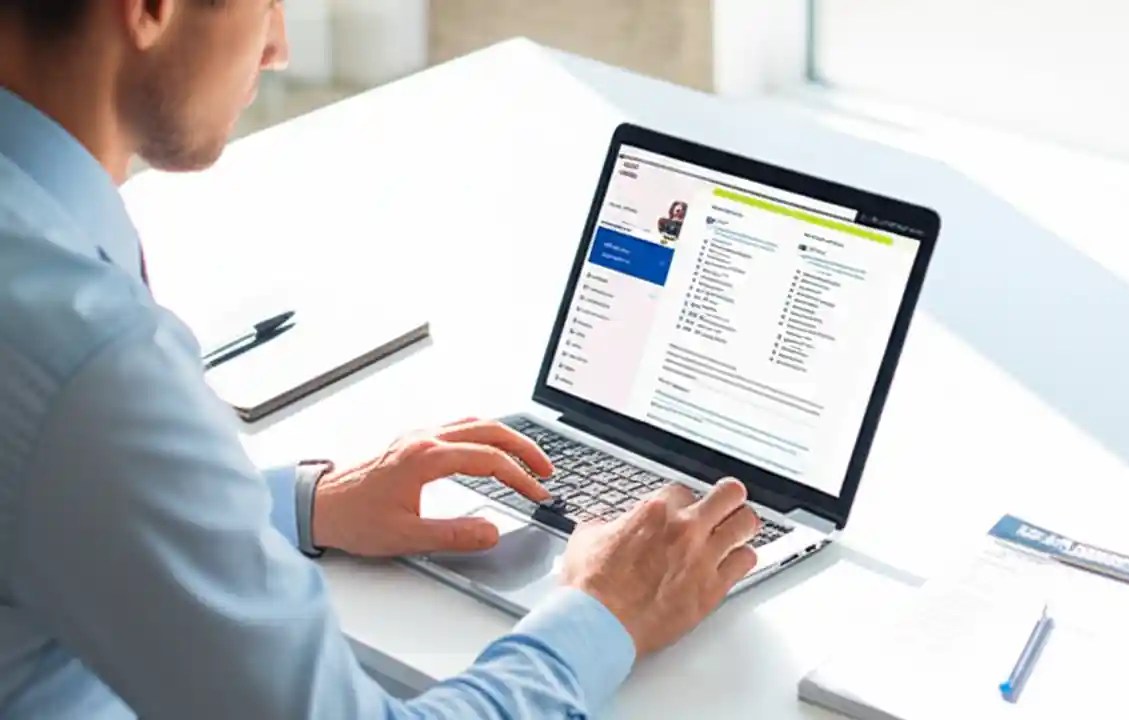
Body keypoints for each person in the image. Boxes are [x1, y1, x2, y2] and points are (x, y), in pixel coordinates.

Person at [0, 2, 760, 718]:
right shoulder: (90, 359)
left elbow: (53, 496)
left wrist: (306, 504)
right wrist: (604, 612)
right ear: (150, 8)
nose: (278, 47)